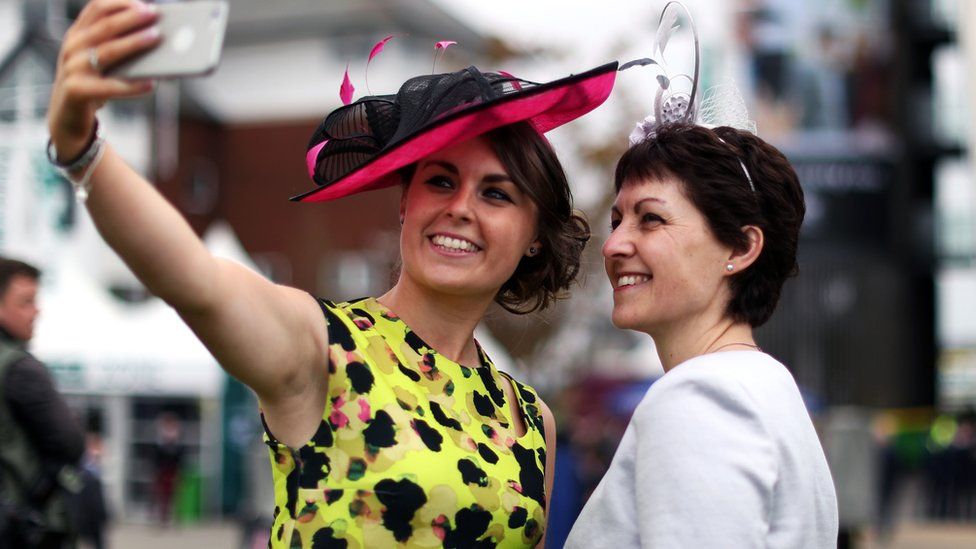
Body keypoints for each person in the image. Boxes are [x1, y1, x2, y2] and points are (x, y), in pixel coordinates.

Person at [45, 1, 619, 546]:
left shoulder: (531, 419)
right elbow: (192, 278)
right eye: (440, 181)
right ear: (405, 203)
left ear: (534, 236)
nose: (460, 208)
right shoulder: (323, 347)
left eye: (495, 193)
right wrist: (81, 148)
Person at [564, 120, 839, 547]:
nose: (613, 245)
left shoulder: (701, 397)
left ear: (740, 248)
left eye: (651, 219)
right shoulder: (764, 386)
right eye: (617, 221)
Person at [0, 258, 85, 548]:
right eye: (26, 301)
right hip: (21, 525)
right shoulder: (19, 368)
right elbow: (71, 444)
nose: (37, 311)